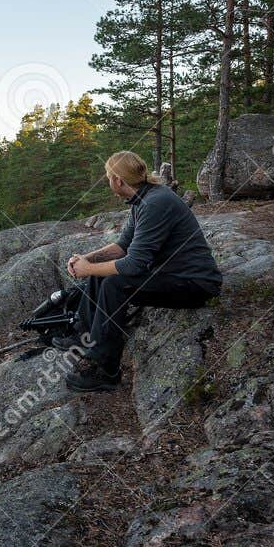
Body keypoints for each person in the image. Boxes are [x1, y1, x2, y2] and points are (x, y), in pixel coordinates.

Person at [60, 150, 222, 393]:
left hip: (195, 284)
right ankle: (84, 337)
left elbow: (134, 264)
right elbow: (122, 245)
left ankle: (106, 371)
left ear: (117, 180)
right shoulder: (142, 199)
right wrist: (87, 260)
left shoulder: (155, 202)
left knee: (115, 284)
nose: (108, 181)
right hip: (170, 276)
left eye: (108, 176)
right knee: (99, 274)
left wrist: (88, 268)